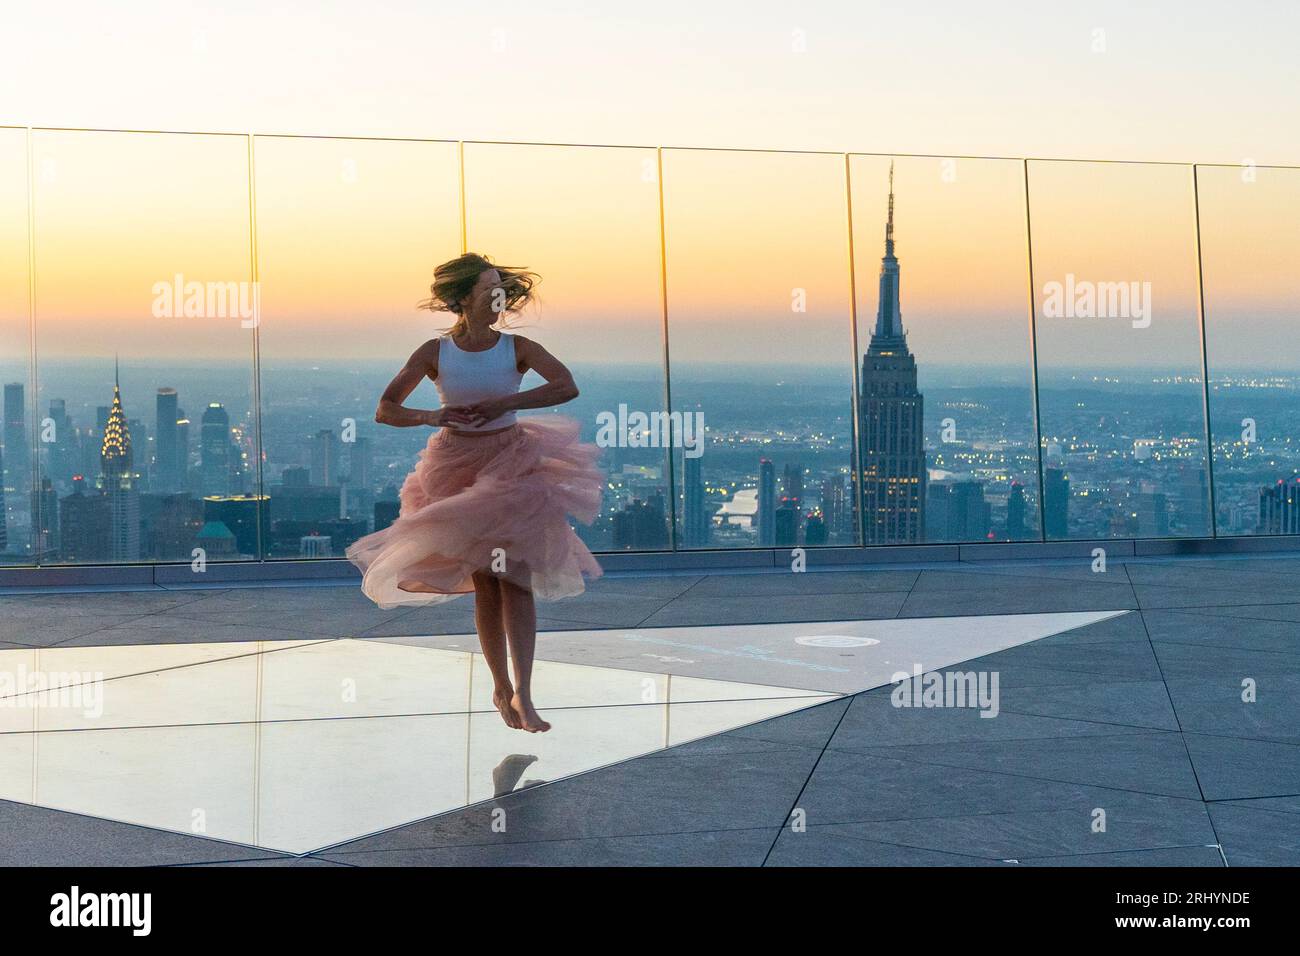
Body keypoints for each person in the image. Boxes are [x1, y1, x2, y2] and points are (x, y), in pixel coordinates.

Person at [346, 253, 604, 732]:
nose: (497, 297)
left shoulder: (519, 347)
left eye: (501, 289)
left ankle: (525, 694)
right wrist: (432, 415)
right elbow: (386, 409)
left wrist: (507, 402)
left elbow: (566, 386)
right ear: (463, 297)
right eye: (488, 289)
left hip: (512, 462)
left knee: (516, 577)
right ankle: (500, 686)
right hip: (453, 467)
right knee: (487, 580)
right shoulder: (434, 352)